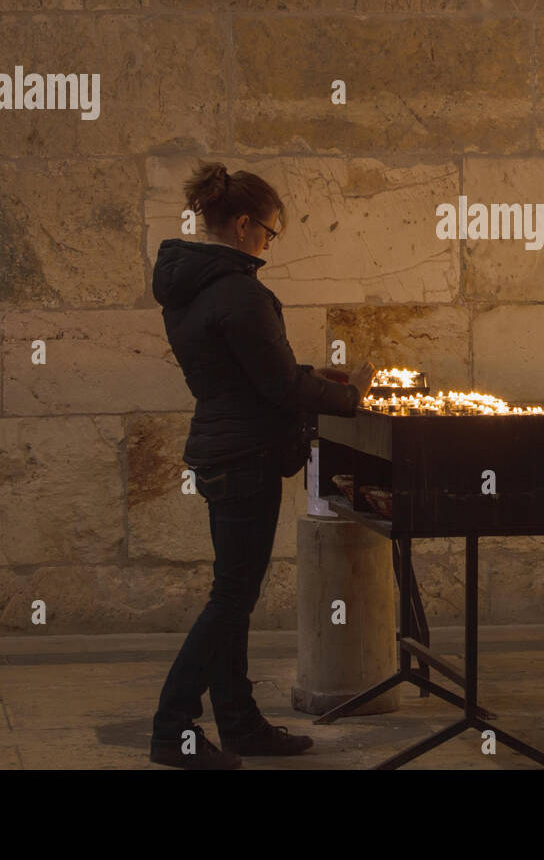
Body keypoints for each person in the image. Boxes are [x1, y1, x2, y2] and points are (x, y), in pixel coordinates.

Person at [148, 161, 375, 770]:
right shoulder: (238, 289)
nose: (270, 246)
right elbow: (275, 386)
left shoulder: (191, 285)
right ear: (245, 224)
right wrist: (348, 396)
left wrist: (307, 377)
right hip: (244, 455)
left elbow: (248, 373)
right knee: (231, 599)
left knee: (234, 596)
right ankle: (174, 729)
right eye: (270, 234)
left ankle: (240, 724)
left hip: (223, 450)